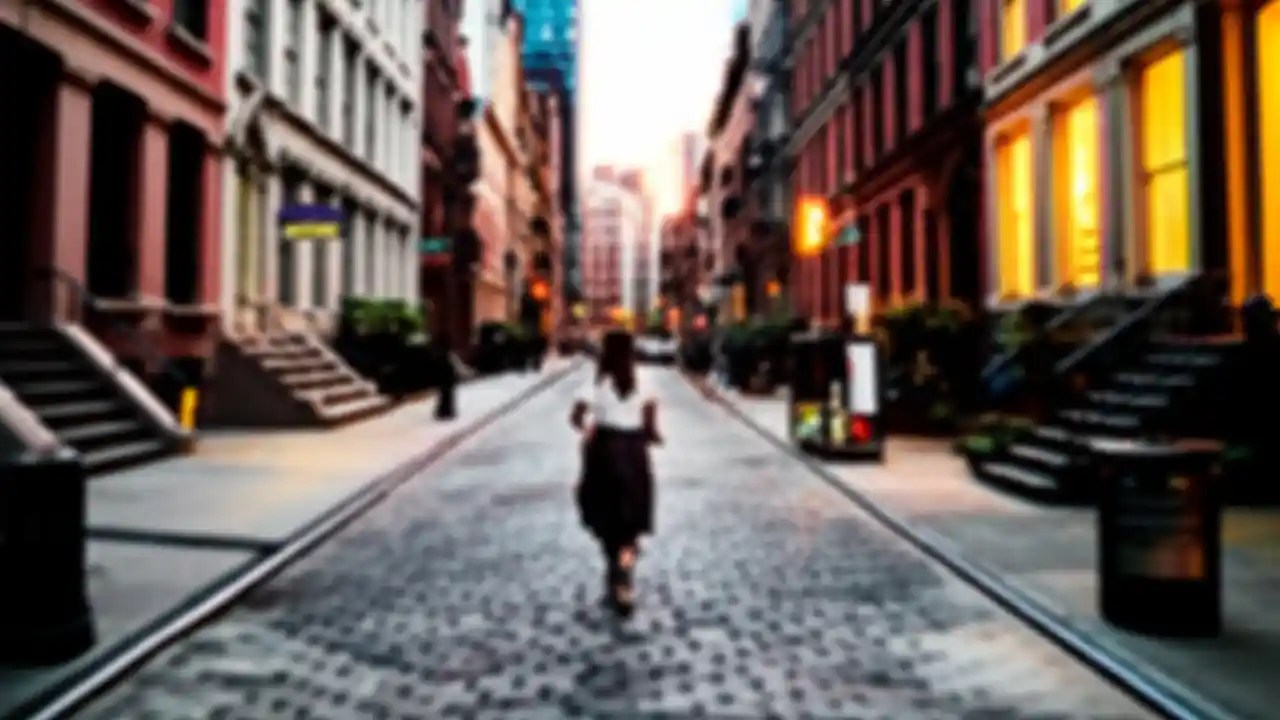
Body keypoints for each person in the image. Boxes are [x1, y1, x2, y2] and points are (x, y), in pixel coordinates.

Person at [570, 330, 662, 616]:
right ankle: (624, 576)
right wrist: (650, 435)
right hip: (633, 453)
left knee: (607, 516)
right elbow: (650, 426)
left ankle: (614, 568)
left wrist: (590, 431)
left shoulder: (597, 382)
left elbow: (575, 417)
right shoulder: (643, 382)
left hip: (604, 451)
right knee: (631, 519)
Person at [433, 331, 458, 420]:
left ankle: (441, 412)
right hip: (448, 376)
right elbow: (454, 363)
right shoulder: (448, 352)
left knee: (443, 395)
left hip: (441, 376)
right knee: (448, 395)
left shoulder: (437, 351)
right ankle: (448, 412)